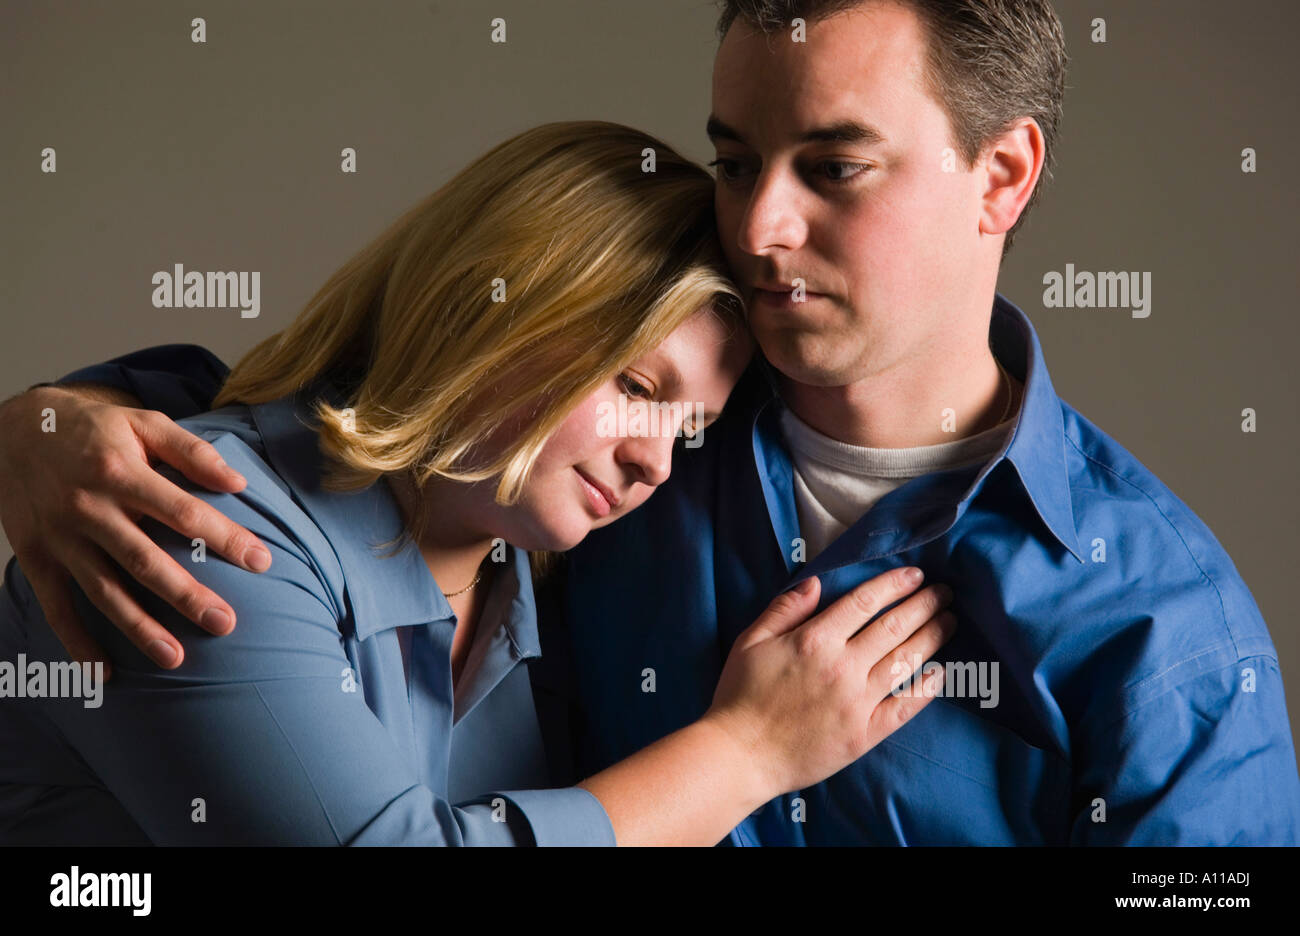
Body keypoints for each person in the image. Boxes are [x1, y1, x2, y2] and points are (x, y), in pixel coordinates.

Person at [6, 0, 1298, 846]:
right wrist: (38, 430)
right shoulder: (571, 494)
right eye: (737, 161)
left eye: (832, 167)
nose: (761, 228)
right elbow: (313, 439)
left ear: (1001, 177)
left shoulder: (1164, 638)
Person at [0, 120, 956, 846]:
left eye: (689, 428)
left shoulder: (539, 582)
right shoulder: (186, 517)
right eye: (635, 385)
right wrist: (750, 751)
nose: (652, 460)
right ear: (491, 304)